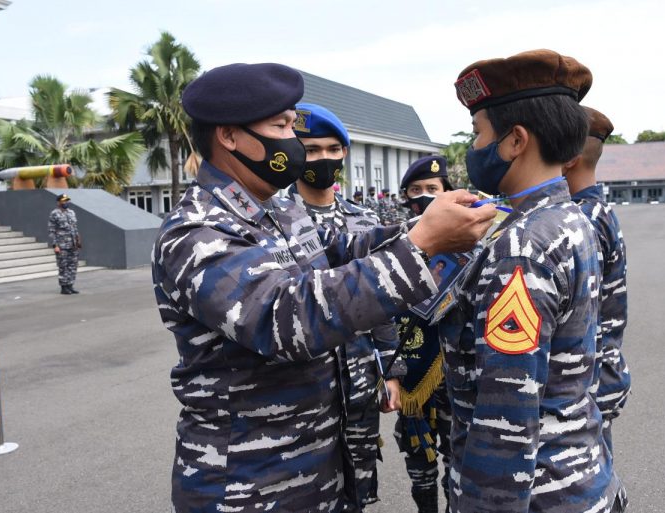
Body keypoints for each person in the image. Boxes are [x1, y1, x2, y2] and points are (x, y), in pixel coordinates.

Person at [151, 62, 497, 513]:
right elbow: (285, 319)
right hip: (248, 484)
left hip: (322, 468)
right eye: (280, 126)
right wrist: (422, 243)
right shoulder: (197, 232)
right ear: (229, 136)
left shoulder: (278, 209)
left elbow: (340, 254)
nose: (292, 141)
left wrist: (423, 225)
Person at [438, 49, 626, 512]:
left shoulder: (522, 245)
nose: (474, 147)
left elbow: (507, 417)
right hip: (575, 475)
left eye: (479, 133)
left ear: (515, 140)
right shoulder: (567, 217)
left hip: (538, 493)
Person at [289, 102, 402, 508]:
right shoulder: (275, 219)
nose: (323, 159)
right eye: (313, 149)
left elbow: (384, 302)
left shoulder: (364, 220)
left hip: (358, 380)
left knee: (356, 483)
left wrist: (391, 371)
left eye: (333, 150)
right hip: (302, 388)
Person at [563, 106, 631, 455]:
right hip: (601, 370)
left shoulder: (580, 220)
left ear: (570, 157)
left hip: (589, 377)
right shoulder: (597, 210)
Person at [393, 155, 456, 513]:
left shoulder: (469, 244)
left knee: (456, 455)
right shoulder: (394, 243)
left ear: (446, 191)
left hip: (453, 369)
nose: (424, 197)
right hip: (409, 365)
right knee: (418, 458)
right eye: (416, 190)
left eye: (433, 189)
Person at [48, 193, 81, 295]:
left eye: (67, 201)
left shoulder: (71, 212)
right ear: (58, 202)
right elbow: (52, 230)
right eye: (63, 201)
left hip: (73, 244)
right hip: (62, 245)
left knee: (73, 265)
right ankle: (64, 287)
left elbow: (75, 228)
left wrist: (78, 240)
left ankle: (70, 285)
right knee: (63, 266)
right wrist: (55, 245)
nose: (66, 203)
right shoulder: (54, 213)